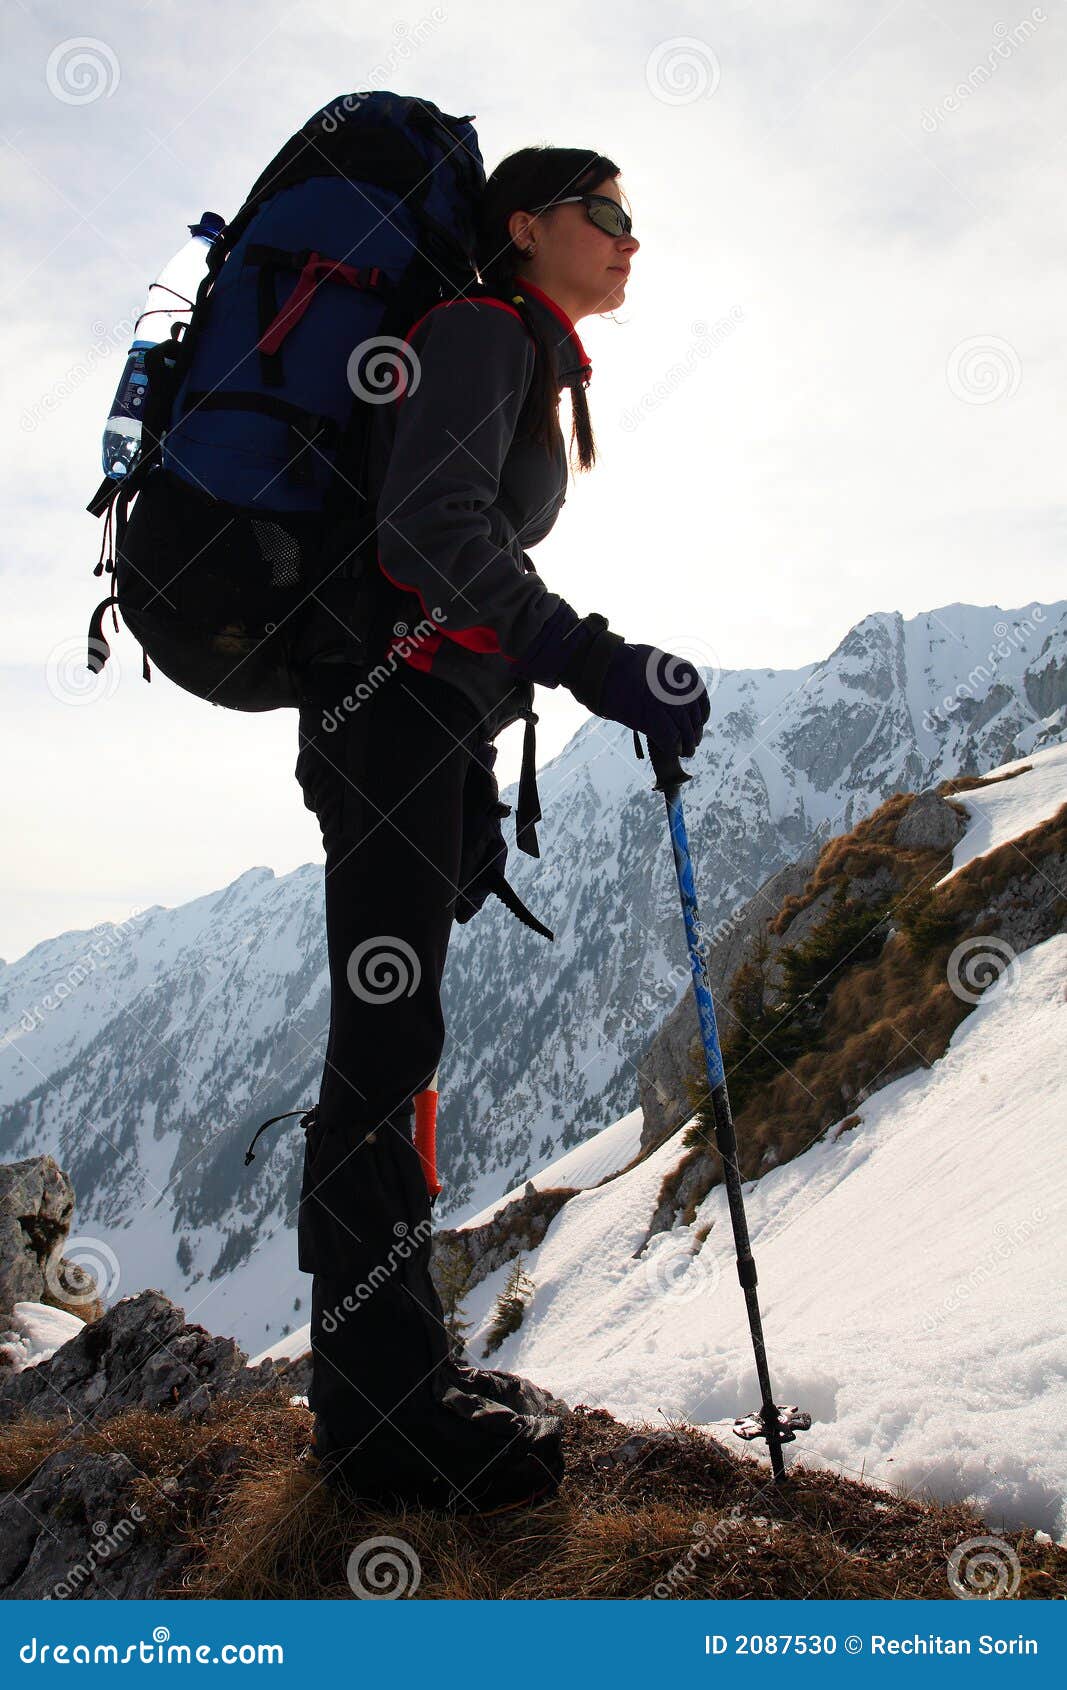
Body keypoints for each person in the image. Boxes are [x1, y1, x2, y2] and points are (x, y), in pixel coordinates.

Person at [292, 146, 711, 1512]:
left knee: (397, 1047)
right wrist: (593, 661)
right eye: (610, 216)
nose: (632, 241)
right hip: (395, 724)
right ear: (525, 225)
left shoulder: (511, 349)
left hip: (413, 729)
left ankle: (399, 1368)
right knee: (381, 1055)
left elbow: (443, 548)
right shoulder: (477, 331)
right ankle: (375, 1421)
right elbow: (427, 533)